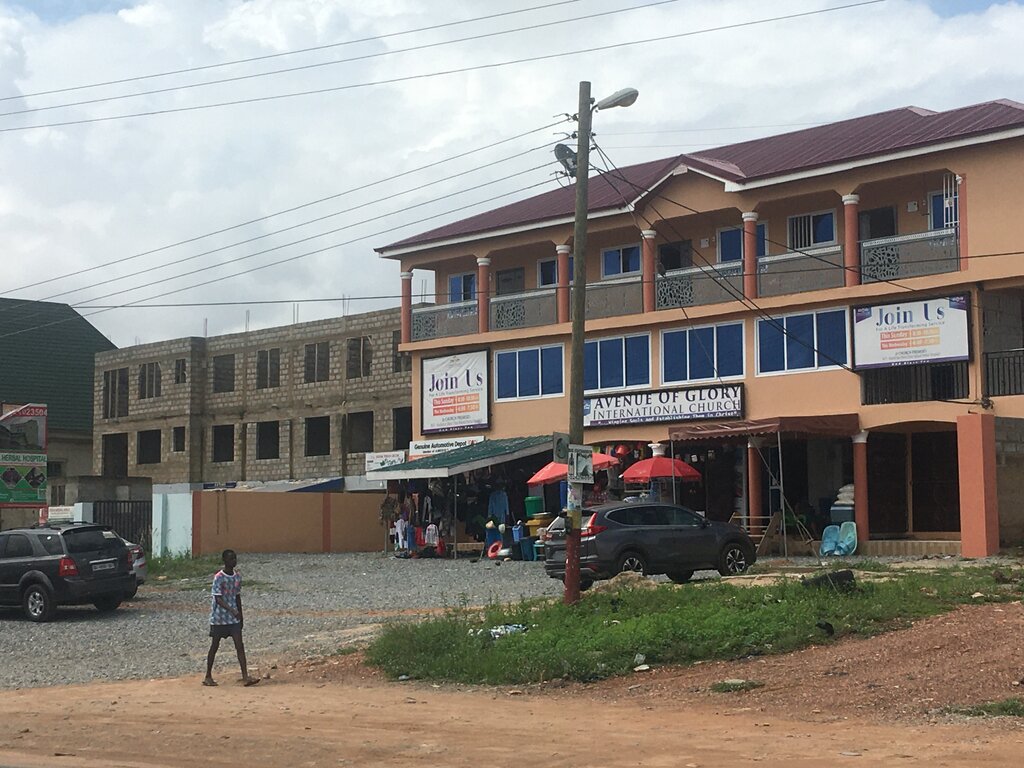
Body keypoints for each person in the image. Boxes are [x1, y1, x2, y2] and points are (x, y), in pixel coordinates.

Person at [203, 549, 259, 687]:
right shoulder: (219, 577)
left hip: (233, 619)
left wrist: (241, 615)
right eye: (231, 559)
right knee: (214, 646)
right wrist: (232, 610)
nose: (234, 561)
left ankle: (245, 676)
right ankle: (208, 675)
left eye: (235, 558)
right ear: (225, 561)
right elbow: (218, 598)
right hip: (219, 618)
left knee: (239, 646)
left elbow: (237, 596)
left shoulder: (237, 577)